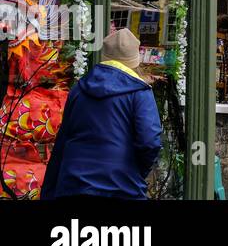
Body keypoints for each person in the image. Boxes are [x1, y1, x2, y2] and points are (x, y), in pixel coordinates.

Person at [41, 28, 162, 200]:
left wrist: (48, 191)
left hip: (74, 183)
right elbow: (150, 142)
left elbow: (62, 141)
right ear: (135, 60)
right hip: (121, 186)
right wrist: (136, 173)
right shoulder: (140, 92)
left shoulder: (79, 89)